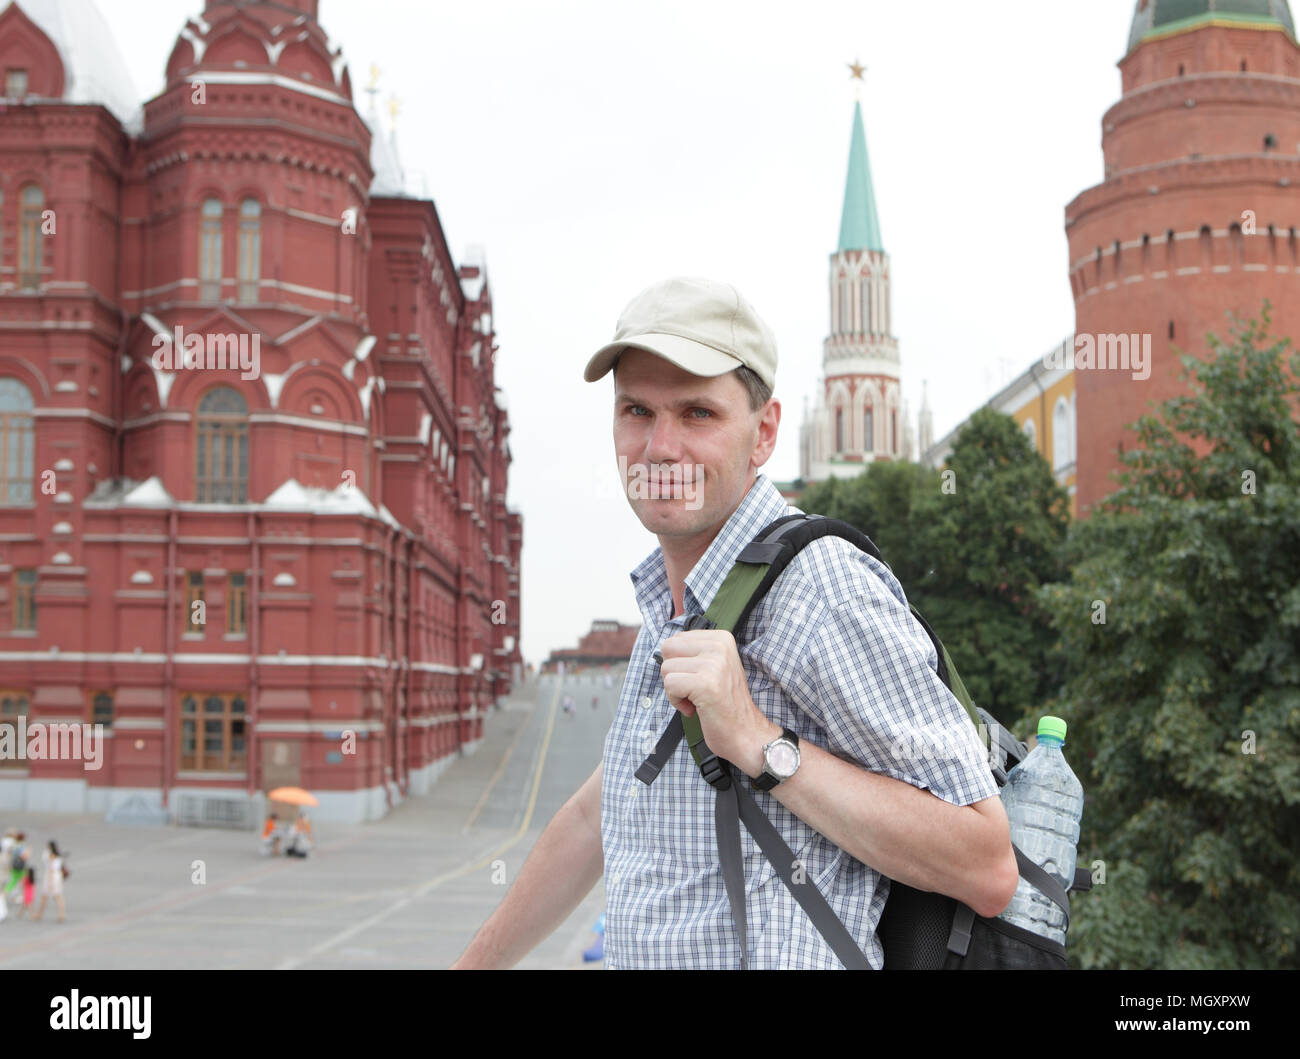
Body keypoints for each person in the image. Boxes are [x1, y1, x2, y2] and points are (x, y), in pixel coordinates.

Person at [450, 276, 1018, 969]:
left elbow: (986, 863)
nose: (659, 447)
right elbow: (593, 818)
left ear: (765, 432)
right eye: (637, 410)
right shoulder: (674, 595)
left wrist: (757, 741)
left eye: (697, 414)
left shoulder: (820, 586)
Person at [32, 840, 65, 923]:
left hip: (51, 876)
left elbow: (51, 868)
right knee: (58, 896)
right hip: (58, 875)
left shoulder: (51, 855)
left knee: (45, 896)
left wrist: (50, 882)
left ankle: (40, 914)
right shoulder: (58, 855)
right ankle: (61, 914)